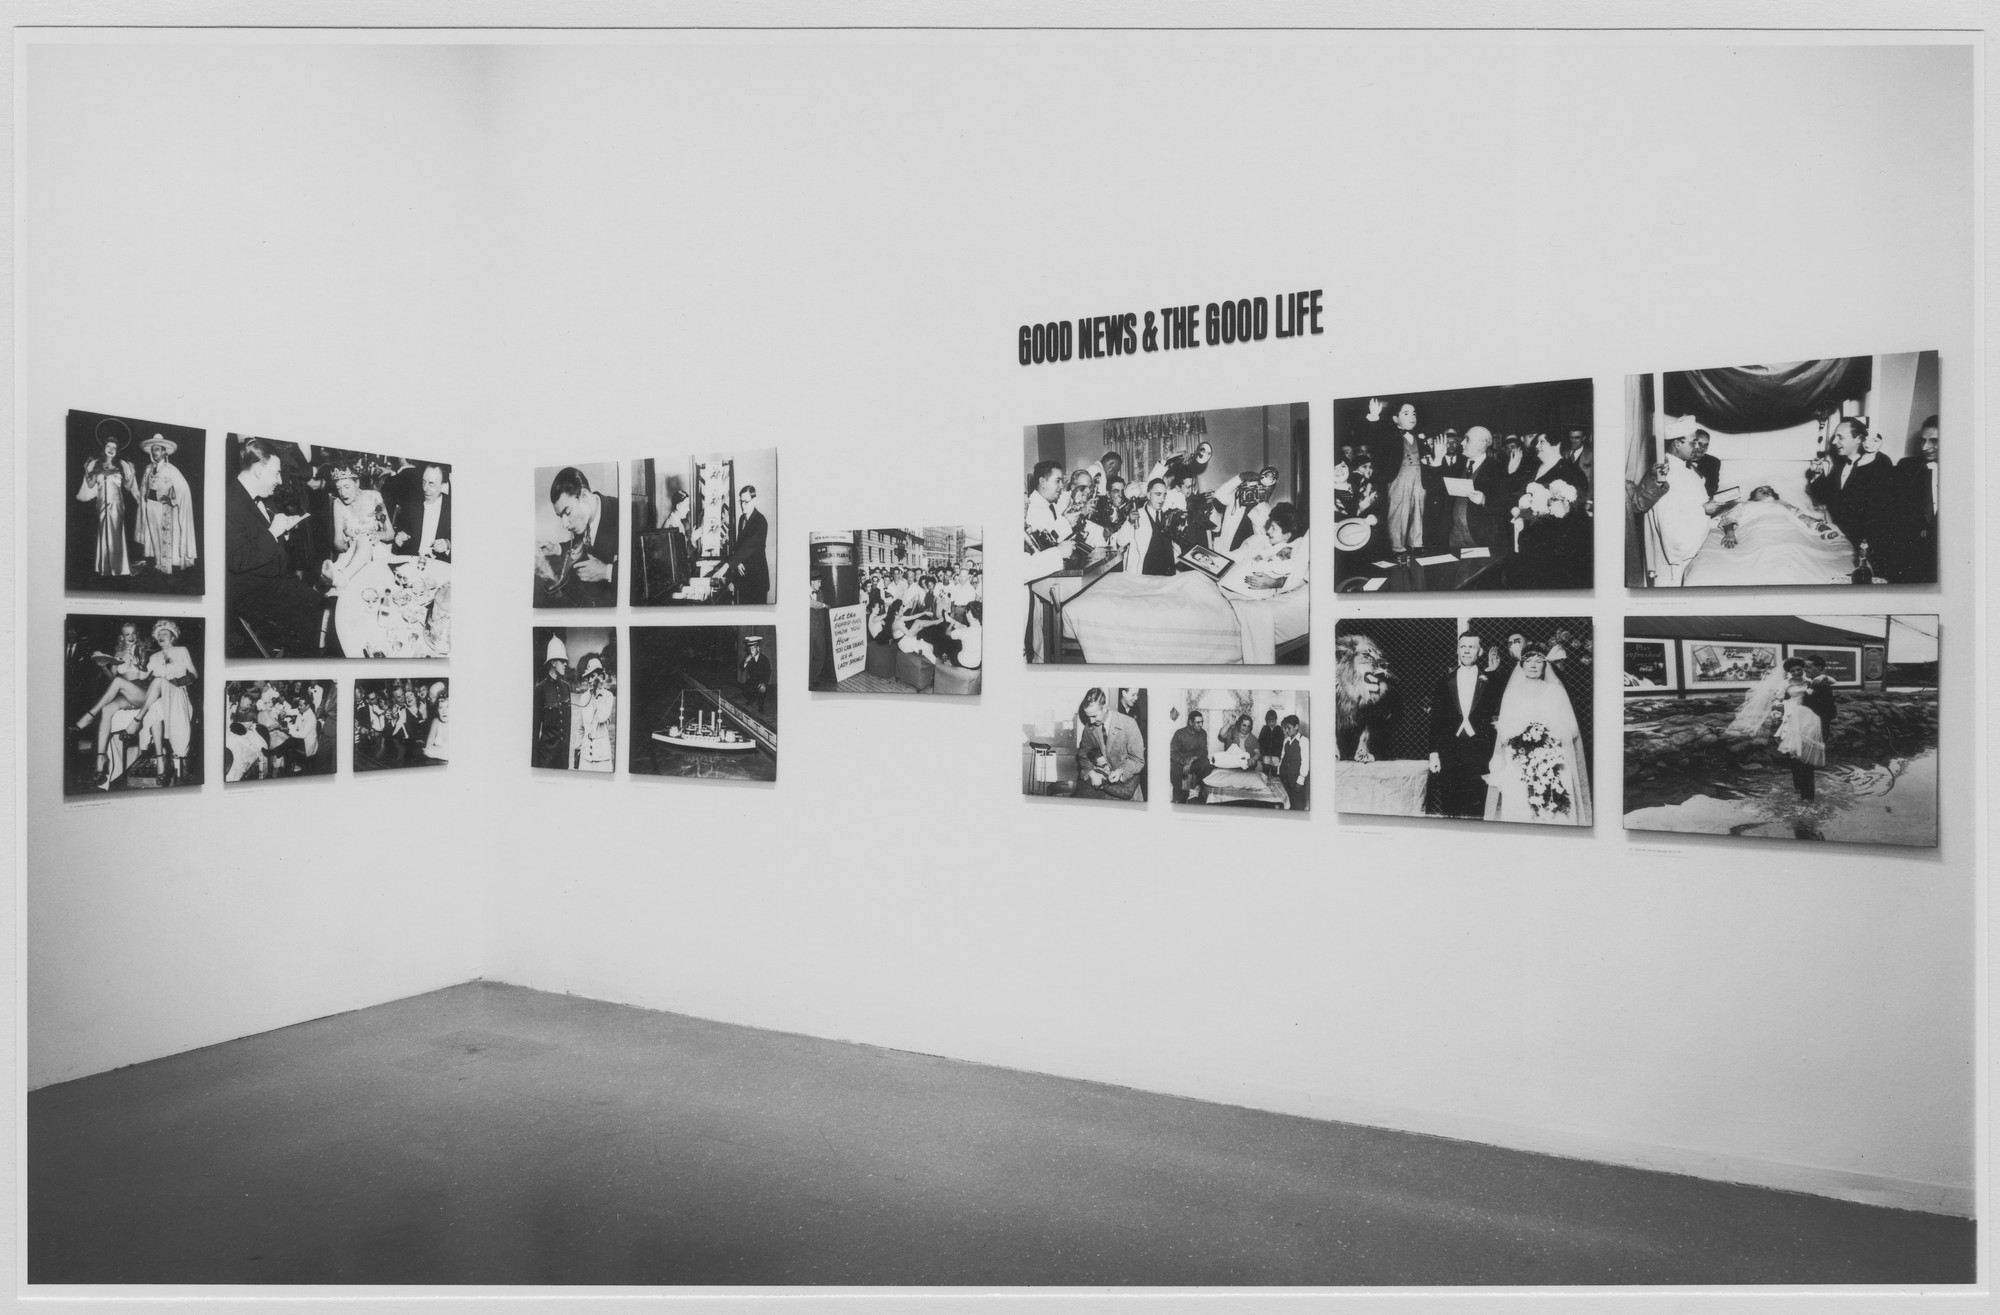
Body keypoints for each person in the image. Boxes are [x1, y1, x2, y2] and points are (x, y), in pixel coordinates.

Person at [226, 437, 326, 654]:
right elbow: (237, 559)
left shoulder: (264, 497)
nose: (280, 481)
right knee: (306, 628)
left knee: (322, 604)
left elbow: (260, 538)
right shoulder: (229, 502)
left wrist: (284, 533)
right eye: (277, 473)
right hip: (251, 592)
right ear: (258, 471)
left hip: (275, 581)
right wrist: (273, 533)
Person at [1483, 640, 1591, 825]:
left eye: (1538, 661)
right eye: (1528, 661)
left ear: (1545, 665)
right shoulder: (1512, 693)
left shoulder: (1555, 691)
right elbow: (1504, 730)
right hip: (1519, 761)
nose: (1533, 665)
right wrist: (1523, 738)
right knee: (1521, 810)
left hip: (1552, 761)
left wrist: (1546, 738)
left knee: (1554, 811)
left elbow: (1572, 729)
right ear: (1521, 664)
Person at [1806, 418, 1896, 572]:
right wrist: (1816, 474)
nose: (1834, 442)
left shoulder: (1879, 461)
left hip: (1868, 542)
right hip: (1843, 535)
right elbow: (1824, 495)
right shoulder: (1841, 464)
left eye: (1840, 437)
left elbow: (1878, 509)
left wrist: (1871, 454)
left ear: (1859, 439)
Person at [1427, 632, 1501, 819]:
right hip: (1450, 750)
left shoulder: (1491, 680)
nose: (1466, 651)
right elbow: (1436, 719)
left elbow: (1497, 714)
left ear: (1480, 651)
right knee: (1450, 804)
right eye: (1463, 646)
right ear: (1457, 650)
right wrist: (1434, 753)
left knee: (1477, 805)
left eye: (1472, 647)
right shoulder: (1444, 680)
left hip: (1480, 751)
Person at [1644, 430, 1721, 587]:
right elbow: (1668, 515)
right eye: (1693, 443)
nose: (1696, 448)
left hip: (1691, 542)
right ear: (1677, 444)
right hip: (1677, 550)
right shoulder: (1666, 471)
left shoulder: (1684, 466)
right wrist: (1704, 510)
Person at [537, 467, 618, 606]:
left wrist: (607, 571)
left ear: (584, 496)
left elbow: (645, 572)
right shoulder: (582, 518)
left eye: (567, 513)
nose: (565, 525)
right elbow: (580, 544)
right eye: (561, 516)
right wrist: (557, 548)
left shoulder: (625, 512)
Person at [137, 618, 198, 785]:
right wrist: (142, 658)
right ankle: (160, 760)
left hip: (177, 692)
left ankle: (138, 718)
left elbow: (194, 674)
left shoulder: (181, 650)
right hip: (159, 697)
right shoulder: (154, 656)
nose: (161, 636)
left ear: (173, 637)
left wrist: (178, 681)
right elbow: (142, 677)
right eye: (159, 635)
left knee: (158, 681)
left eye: (165, 633)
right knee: (155, 710)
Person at [77, 420, 139, 578]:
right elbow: (90, 484)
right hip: (101, 506)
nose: (111, 449)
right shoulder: (97, 466)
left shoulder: (120, 466)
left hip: (117, 506)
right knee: (104, 533)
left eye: (114, 448)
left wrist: (132, 473)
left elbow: (127, 486)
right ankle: (105, 567)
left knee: (116, 534)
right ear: (104, 448)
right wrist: (86, 470)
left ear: (117, 451)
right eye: (108, 446)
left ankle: (118, 568)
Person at [1885, 415, 1939, 583]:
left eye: (1934, 441)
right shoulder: (1907, 467)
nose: (1925, 447)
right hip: (1913, 557)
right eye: (1922, 441)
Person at [135, 433, 198, 575]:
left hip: (163, 508)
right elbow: (144, 487)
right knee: (154, 536)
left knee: (164, 536)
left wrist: (172, 500)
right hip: (150, 506)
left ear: (164, 452)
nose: (154, 452)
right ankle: (158, 564)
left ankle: (166, 568)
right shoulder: (148, 468)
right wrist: (144, 499)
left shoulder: (170, 470)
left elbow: (184, 489)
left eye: (157, 449)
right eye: (153, 449)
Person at [1072, 687, 1144, 800]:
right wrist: (1091, 772)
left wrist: (1121, 771)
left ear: (1105, 708)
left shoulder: (1129, 724)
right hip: (1102, 793)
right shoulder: (1089, 727)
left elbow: (1138, 759)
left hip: (1125, 791)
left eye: (1094, 716)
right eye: (1088, 717)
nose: (1091, 721)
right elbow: (1083, 754)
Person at [1775, 660, 1827, 802]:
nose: (1796, 673)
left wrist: (1823, 676)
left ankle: (1806, 792)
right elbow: (1777, 699)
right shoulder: (1785, 683)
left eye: (1799, 669)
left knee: (1803, 749)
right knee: (1794, 750)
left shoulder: (1809, 681)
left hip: (1806, 715)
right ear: (1789, 672)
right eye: (1793, 671)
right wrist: (1778, 709)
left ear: (1803, 669)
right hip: (1791, 713)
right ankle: (1798, 786)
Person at [716, 484, 770, 603]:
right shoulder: (742, 519)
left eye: (746, 502)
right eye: (741, 501)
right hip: (744, 580)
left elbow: (748, 547)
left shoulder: (761, 522)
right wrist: (738, 563)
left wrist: (726, 566)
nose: (742, 505)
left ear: (754, 500)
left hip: (757, 581)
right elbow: (739, 546)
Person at [391, 463, 452, 561]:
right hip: (414, 561)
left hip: (440, 564)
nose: (425, 488)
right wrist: (400, 541)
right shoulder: (413, 504)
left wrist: (448, 543)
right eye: (424, 482)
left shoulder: (452, 507)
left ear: (443, 485)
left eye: (431, 484)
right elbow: (401, 547)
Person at [570, 651, 617, 772]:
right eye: (590, 677)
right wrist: (577, 749)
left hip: (602, 757)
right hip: (585, 757)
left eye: (594, 677)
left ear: (601, 677)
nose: (591, 681)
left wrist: (598, 694)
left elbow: (601, 718)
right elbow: (581, 728)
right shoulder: (583, 698)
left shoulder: (608, 696)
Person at [533, 637, 573, 769]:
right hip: (546, 759)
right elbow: (535, 730)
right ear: (553, 662)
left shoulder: (566, 688)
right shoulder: (540, 689)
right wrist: (535, 764)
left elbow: (567, 727)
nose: (566, 664)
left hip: (563, 759)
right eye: (562, 661)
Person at [1169, 709, 1212, 804]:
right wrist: (1181, 761)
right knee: (1173, 769)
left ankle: (1197, 789)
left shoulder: (1203, 733)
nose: (1201, 725)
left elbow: (1204, 751)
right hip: (1181, 762)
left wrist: (1194, 758)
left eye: (1202, 722)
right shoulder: (1179, 733)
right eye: (1198, 723)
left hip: (1195, 761)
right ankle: (1179, 797)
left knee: (1206, 764)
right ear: (1190, 722)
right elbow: (1172, 752)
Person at [1278, 714, 1309, 811]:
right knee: (1287, 803)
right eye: (1285, 728)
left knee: (1298, 804)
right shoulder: (1286, 741)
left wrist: (1301, 780)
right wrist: (1279, 772)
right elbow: (1282, 757)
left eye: (1289, 728)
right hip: (1285, 778)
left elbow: (1305, 762)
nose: (1286, 730)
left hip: (1296, 780)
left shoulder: (1303, 741)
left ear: (1296, 727)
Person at [740, 633, 772, 713]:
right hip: (751, 681)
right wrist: (745, 662)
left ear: (758, 648)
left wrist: (764, 683)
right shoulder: (748, 657)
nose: (751, 651)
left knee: (762, 691)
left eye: (753, 649)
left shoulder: (764, 659)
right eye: (750, 649)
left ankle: (761, 707)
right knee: (745, 691)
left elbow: (768, 672)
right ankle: (751, 699)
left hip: (761, 681)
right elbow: (741, 668)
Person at [1689, 430, 1722, 500]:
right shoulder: (1679, 459)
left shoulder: (1713, 462)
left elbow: (1712, 488)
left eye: (1706, 445)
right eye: (1700, 444)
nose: (1703, 448)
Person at [425, 688, 451, 762]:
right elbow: (427, 750)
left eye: (447, 707)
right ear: (437, 709)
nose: (444, 711)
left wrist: (436, 751)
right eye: (440, 707)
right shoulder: (436, 721)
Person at [1257, 709, 1284, 773]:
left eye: (1273, 721)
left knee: (1275, 770)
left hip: (1276, 755)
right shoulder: (1264, 729)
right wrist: (1261, 753)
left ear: (1276, 720)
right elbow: (1260, 741)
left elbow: (1281, 743)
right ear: (1266, 721)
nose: (1271, 723)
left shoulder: (1279, 730)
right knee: (1265, 769)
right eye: (1269, 722)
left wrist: (1280, 754)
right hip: (1266, 754)